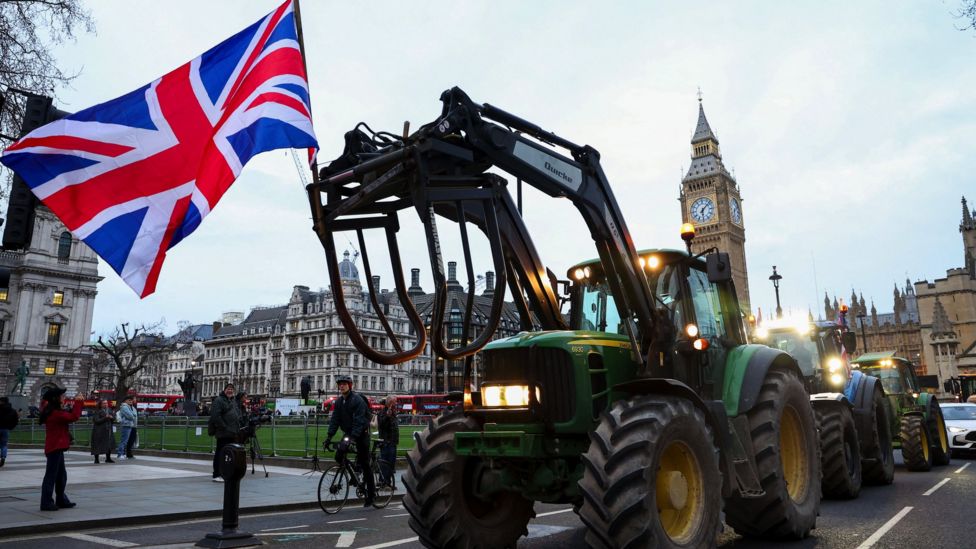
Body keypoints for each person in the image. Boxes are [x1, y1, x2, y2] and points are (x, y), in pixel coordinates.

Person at [324, 375, 376, 506]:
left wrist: (353, 438)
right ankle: (354, 476)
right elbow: (335, 420)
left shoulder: (357, 400)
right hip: (349, 433)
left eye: (344, 384)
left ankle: (371, 494)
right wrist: (329, 436)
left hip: (362, 433)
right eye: (340, 384)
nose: (341, 386)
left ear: (350, 385)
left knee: (365, 463)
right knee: (339, 455)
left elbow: (359, 421)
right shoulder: (339, 402)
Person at [39, 387, 83, 511]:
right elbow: (74, 416)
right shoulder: (55, 413)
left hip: (57, 447)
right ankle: (46, 502)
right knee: (51, 476)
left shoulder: (53, 411)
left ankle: (61, 499)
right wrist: (78, 402)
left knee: (60, 475)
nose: (64, 398)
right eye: (62, 396)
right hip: (55, 447)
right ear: (55, 399)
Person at [209, 383, 242, 482]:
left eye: (232, 389)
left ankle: (225, 472)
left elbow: (237, 413)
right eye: (228, 389)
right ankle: (217, 474)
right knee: (220, 453)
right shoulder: (219, 400)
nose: (230, 391)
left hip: (232, 432)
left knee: (228, 454)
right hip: (223, 432)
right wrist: (224, 426)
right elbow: (215, 416)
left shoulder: (233, 401)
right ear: (224, 390)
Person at [376, 395, 398, 489]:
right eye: (395, 402)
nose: (396, 404)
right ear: (390, 403)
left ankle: (387, 482)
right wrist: (387, 417)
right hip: (386, 442)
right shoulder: (383, 412)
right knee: (385, 463)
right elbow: (381, 425)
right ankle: (384, 482)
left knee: (390, 464)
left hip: (392, 442)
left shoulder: (392, 412)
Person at [90, 399, 116, 464]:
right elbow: (96, 421)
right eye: (104, 403)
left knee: (108, 444)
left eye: (106, 403)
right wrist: (106, 417)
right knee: (97, 444)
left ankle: (108, 458)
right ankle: (96, 459)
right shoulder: (97, 411)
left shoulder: (109, 410)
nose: (106, 404)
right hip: (99, 431)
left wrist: (112, 417)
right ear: (100, 404)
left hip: (108, 430)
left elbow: (113, 419)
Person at [116, 395, 138, 460]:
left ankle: (123, 454)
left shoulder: (129, 407)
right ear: (125, 401)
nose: (131, 401)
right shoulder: (124, 407)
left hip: (129, 425)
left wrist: (132, 415)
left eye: (131, 400)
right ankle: (120, 454)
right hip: (126, 425)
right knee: (124, 441)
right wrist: (133, 415)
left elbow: (132, 415)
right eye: (129, 400)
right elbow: (131, 416)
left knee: (126, 441)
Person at [0, 396, 20, 467]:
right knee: (4, 444)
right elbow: (16, 420)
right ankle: (3, 457)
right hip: (6, 429)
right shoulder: (12, 410)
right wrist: (11, 427)